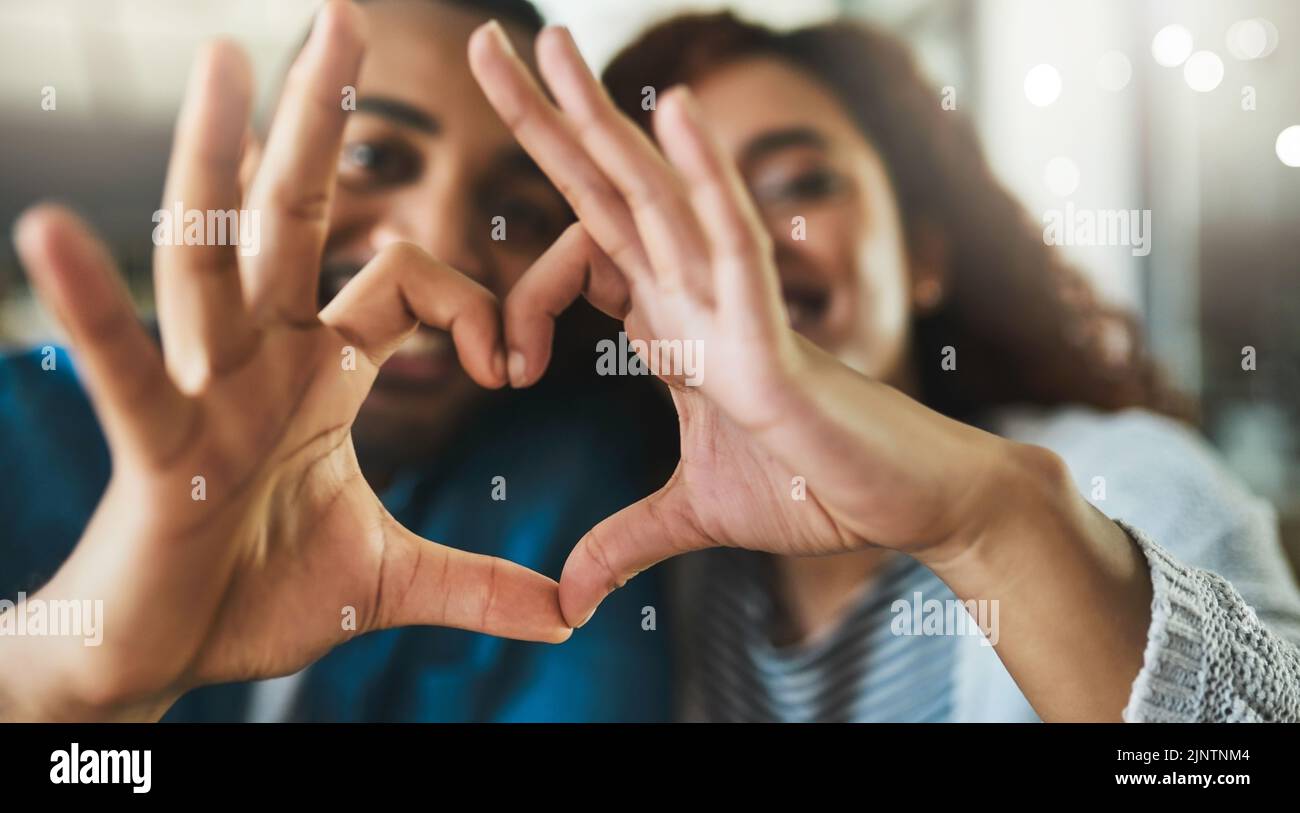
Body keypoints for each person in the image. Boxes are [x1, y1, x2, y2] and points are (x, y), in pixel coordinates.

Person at [465, 11, 1300, 721]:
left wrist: (991, 523)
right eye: (677, 207)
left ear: (923, 254)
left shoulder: (1133, 488)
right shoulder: (669, 579)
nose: (742, 244)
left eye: (800, 181)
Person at [0, 0, 673, 722]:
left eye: (520, 209)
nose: (440, 243)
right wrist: (54, 691)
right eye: (373, 157)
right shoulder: (21, 426)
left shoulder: (567, 496)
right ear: (249, 182)